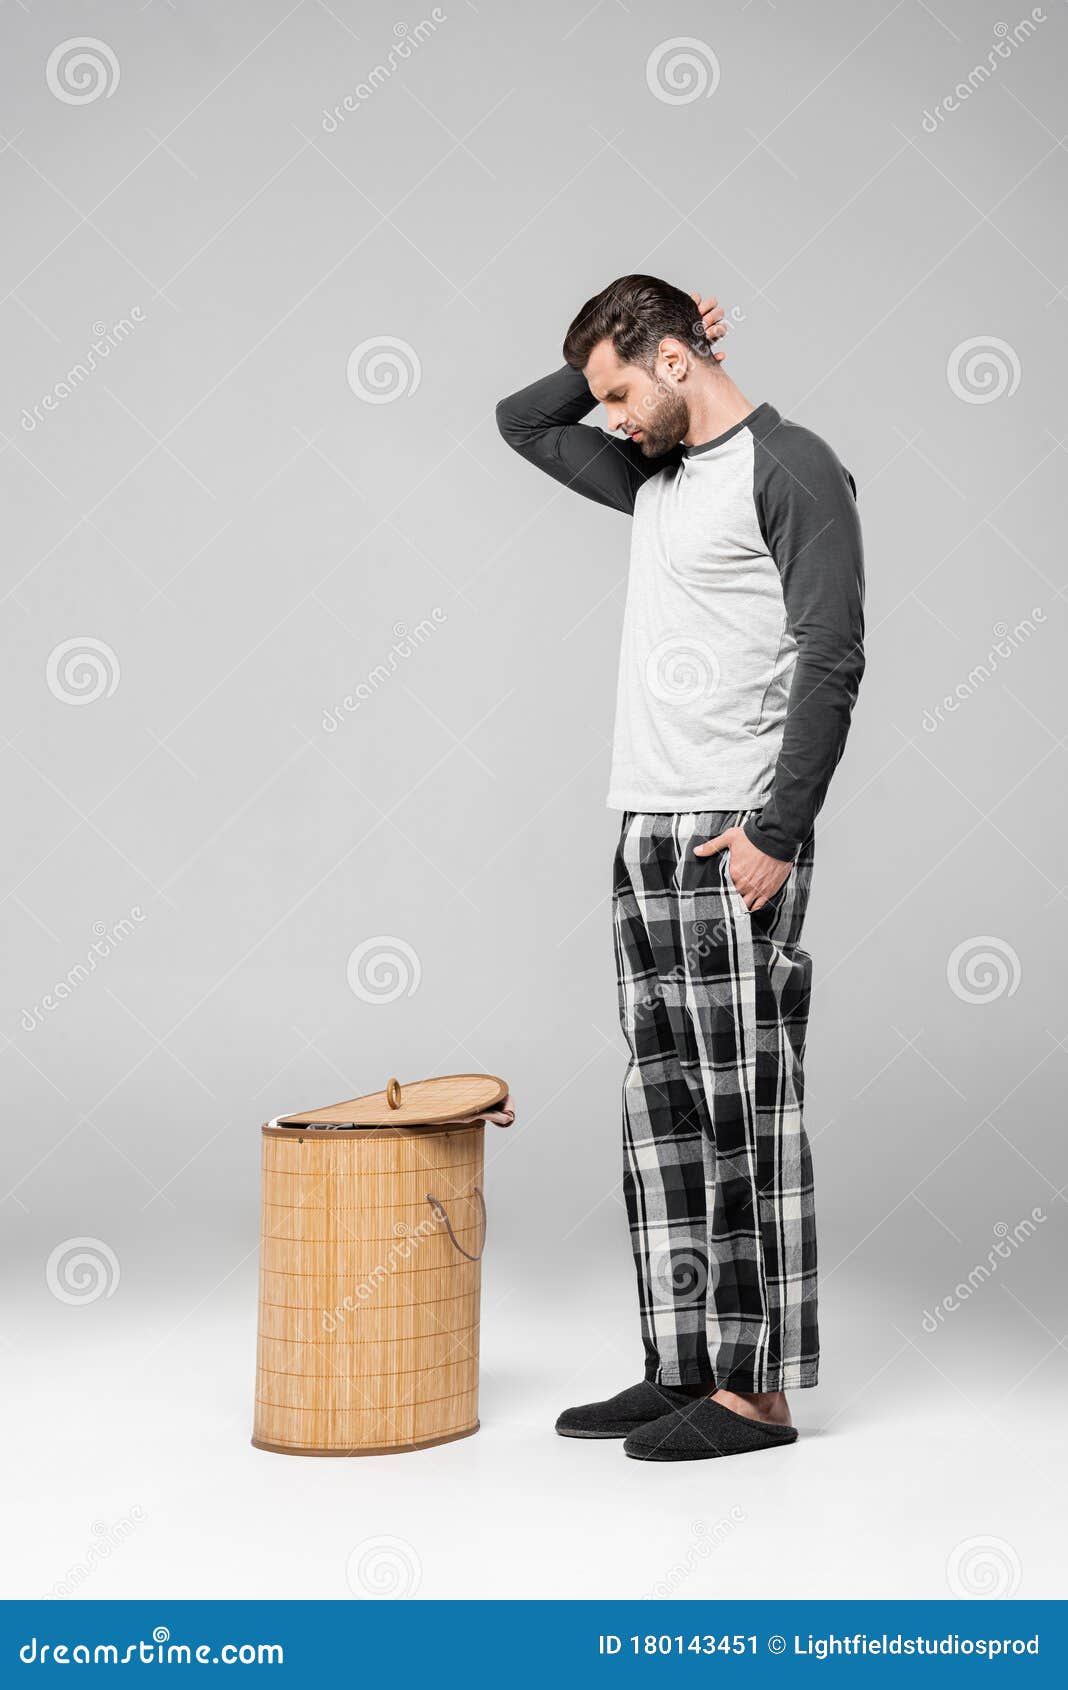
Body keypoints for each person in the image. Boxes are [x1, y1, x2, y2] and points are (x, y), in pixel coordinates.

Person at [495, 275, 865, 1461]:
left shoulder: (793, 465)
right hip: (644, 825)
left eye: (619, 387)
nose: (604, 415)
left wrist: (779, 830)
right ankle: (685, 1364)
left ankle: (757, 1394)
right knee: (663, 1109)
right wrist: (620, 362)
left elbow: (833, 657)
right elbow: (523, 422)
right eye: (600, 393)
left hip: (731, 830)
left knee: (741, 1105)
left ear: (672, 361)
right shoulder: (653, 474)